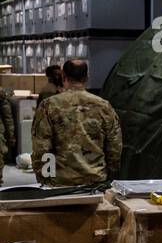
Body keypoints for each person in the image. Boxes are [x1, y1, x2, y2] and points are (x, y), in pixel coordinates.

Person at [30, 59, 122, 187]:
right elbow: (114, 147)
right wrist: (110, 175)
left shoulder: (49, 105)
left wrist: (45, 179)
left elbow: (41, 148)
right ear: (87, 77)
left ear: (63, 77)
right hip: (95, 182)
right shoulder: (104, 106)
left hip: (60, 183)